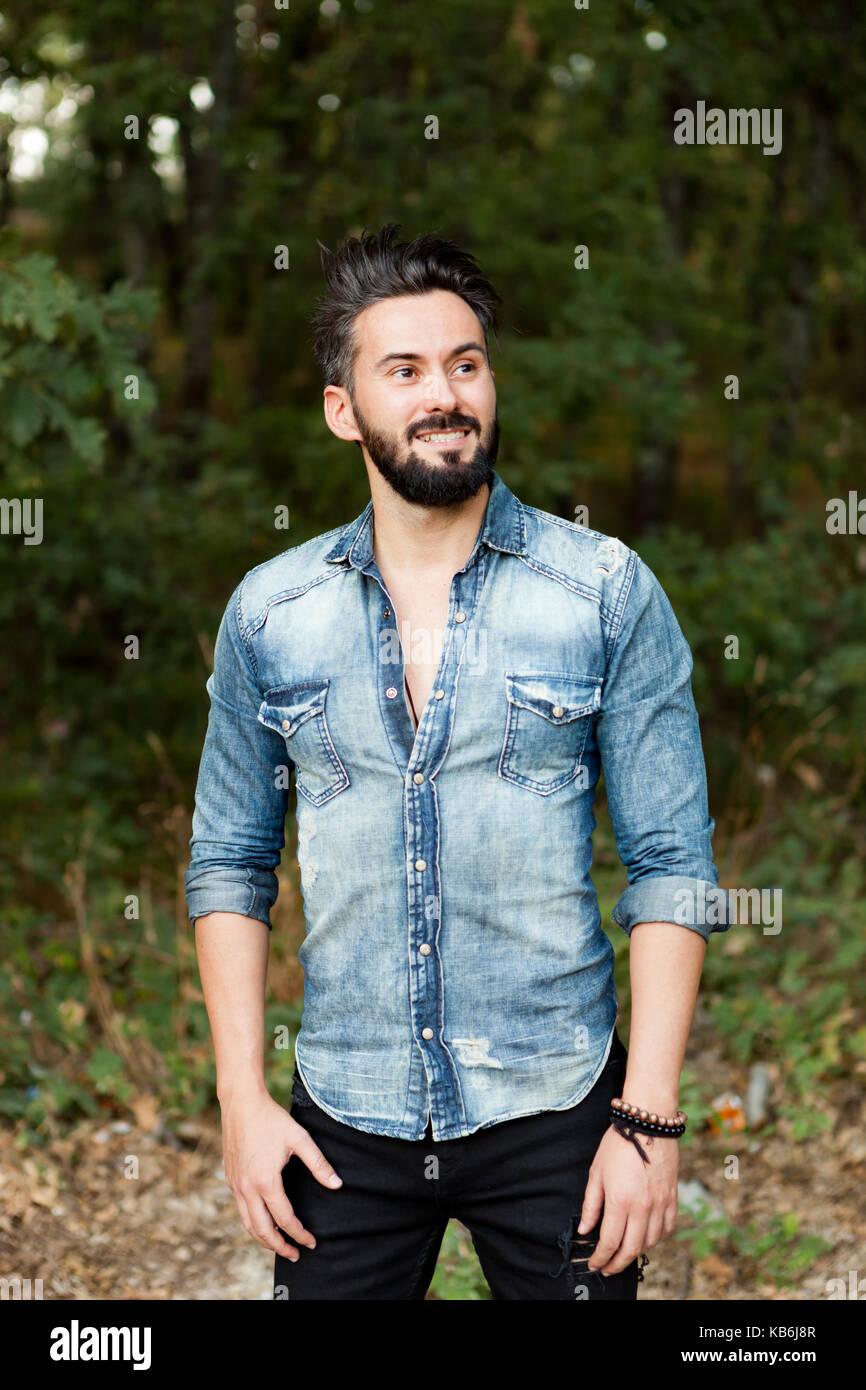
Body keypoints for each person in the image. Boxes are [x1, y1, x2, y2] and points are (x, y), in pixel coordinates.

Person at [184, 223, 730, 1301]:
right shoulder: (269, 614)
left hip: (558, 1112)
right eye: (405, 370)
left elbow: (671, 863)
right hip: (346, 1115)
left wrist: (648, 1117)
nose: (445, 393)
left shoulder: (604, 592)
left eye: (464, 363)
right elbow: (228, 865)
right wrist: (244, 1105)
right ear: (343, 409)